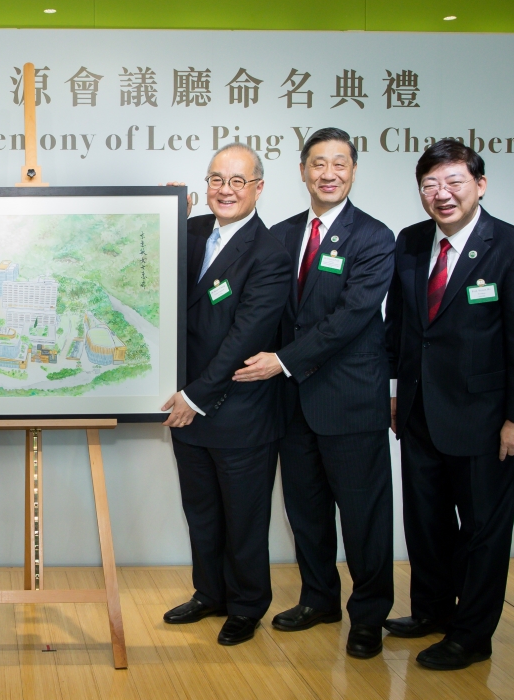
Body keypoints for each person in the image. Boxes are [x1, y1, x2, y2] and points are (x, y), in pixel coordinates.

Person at [384, 139, 514, 670]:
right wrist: (394, 392)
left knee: (482, 533)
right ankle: (431, 612)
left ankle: (472, 635)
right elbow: (401, 328)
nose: (442, 194)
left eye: (454, 182)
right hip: (418, 414)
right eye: (430, 185)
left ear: (480, 185)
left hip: (486, 422)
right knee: (426, 524)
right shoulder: (410, 243)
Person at [232, 128, 396, 659]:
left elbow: (351, 318)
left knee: (364, 518)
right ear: (302, 171)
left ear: (353, 171)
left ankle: (368, 615)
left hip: (349, 402)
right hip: (291, 404)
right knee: (306, 513)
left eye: (340, 164)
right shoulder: (279, 235)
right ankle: (319, 598)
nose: (329, 174)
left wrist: (282, 360)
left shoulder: (374, 237)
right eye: (318, 164)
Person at [159, 143, 294, 646]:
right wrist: (166, 208)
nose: (226, 190)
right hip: (187, 408)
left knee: (244, 516)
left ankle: (246, 604)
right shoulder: (192, 231)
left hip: (236, 410)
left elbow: (246, 336)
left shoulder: (269, 252)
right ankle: (208, 593)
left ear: (259, 187)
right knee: (202, 510)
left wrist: (193, 397)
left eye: (238, 181)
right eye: (217, 179)